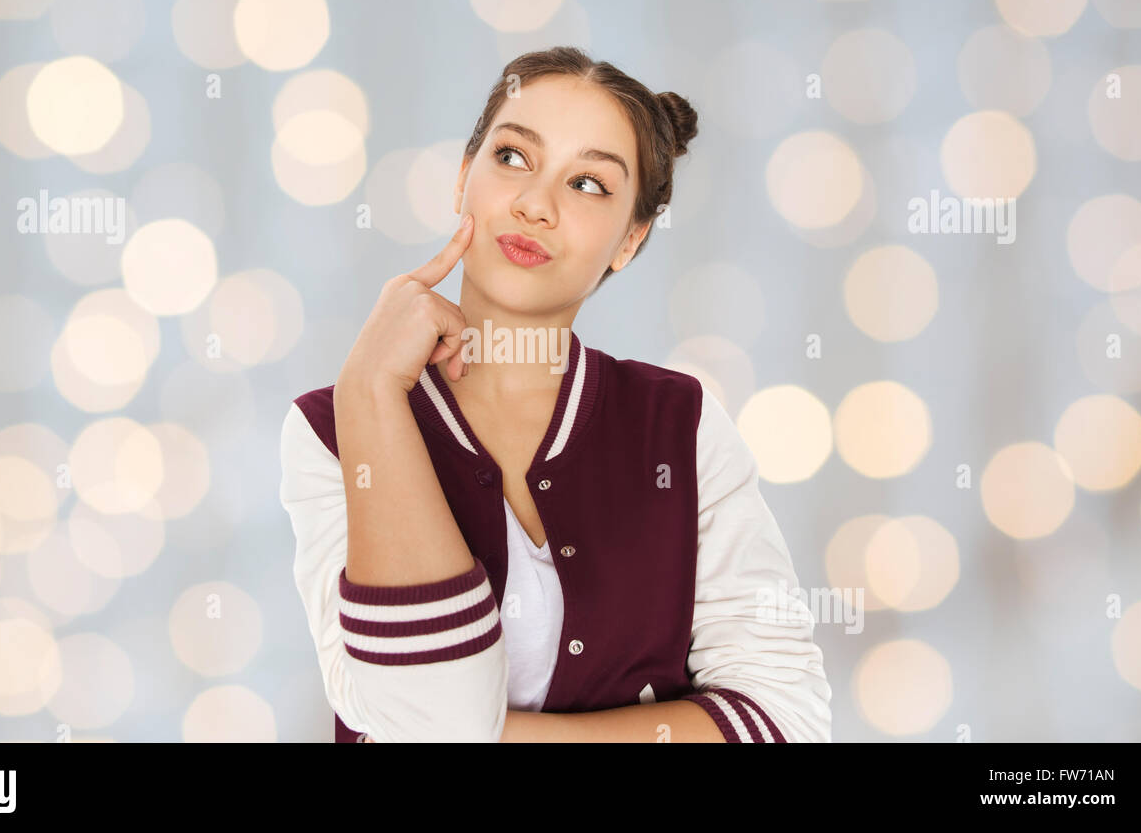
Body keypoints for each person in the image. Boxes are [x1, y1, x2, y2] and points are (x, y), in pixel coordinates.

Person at [279, 45, 832, 742]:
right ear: (462, 180)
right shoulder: (335, 427)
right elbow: (427, 710)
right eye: (513, 158)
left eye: (589, 185)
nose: (536, 205)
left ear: (630, 240)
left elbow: (787, 720)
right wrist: (372, 391)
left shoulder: (681, 426)